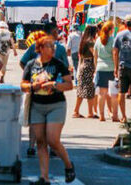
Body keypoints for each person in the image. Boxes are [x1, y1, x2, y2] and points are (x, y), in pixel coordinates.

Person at [21, 31, 76, 184]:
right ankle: (44, 177)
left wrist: (55, 85)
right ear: (40, 48)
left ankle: (69, 165)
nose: (53, 49)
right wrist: (33, 86)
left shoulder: (58, 64)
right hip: (37, 106)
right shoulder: (32, 64)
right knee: (40, 141)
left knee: (52, 140)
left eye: (53, 46)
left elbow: (70, 85)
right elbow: (22, 85)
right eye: (49, 46)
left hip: (56, 105)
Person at [94, 21, 118, 122]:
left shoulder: (98, 40)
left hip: (100, 67)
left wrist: (96, 67)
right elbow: (114, 54)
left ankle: (102, 116)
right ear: (111, 30)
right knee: (113, 93)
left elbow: (95, 55)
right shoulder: (113, 39)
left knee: (101, 93)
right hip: (111, 68)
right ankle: (115, 116)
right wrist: (116, 67)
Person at [72, 25, 98, 119]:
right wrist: (96, 67)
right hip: (89, 65)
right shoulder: (91, 42)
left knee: (82, 89)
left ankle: (76, 111)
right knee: (89, 89)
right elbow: (95, 55)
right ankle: (90, 112)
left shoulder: (83, 42)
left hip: (83, 64)